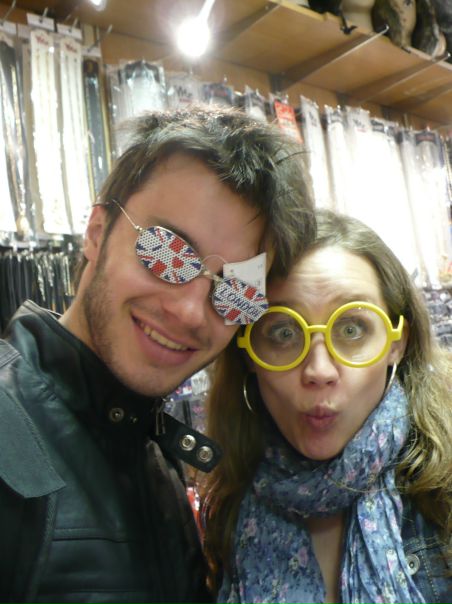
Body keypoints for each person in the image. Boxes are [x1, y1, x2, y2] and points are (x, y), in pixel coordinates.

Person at [0, 106, 316, 603]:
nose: (190, 311)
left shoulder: (152, 452)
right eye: (167, 252)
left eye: (235, 291)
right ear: (97, 232)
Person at [202, 209, 452, 604]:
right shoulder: (228, 509)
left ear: (396, 343)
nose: (318, 370)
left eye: (352, 329)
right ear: (248, 352)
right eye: (283, 332)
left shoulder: (444, 496)